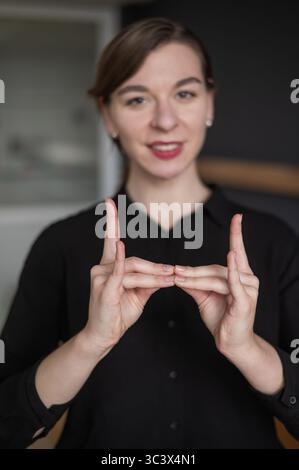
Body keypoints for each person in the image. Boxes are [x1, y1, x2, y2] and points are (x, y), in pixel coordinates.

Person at [0, 17, 299, 449]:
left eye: (184, 93)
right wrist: (88, 344)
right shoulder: (60, 244)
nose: (165, 120)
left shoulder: (276, 242)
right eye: (137, 99)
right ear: (107, 115)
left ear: (209, 103)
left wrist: (249, 349)